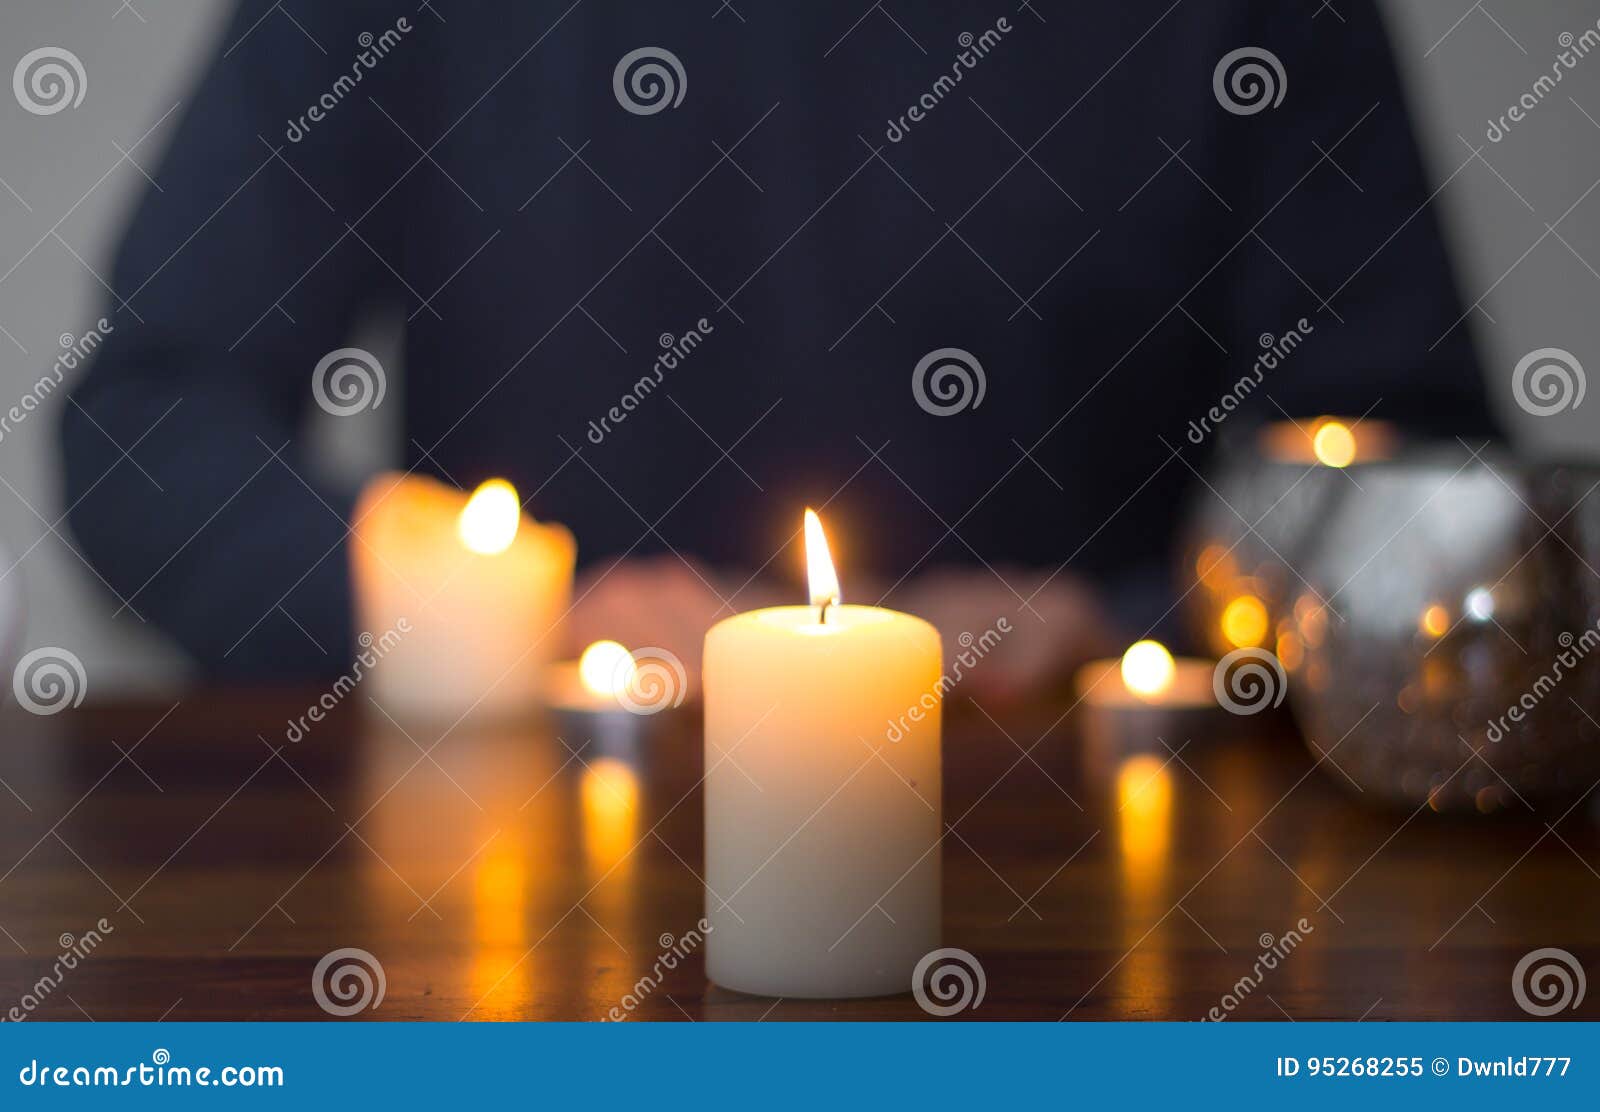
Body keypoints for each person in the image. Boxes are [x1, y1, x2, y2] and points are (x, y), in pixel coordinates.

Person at [60, 0, 1497, 696]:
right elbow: (149, 426)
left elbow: (1412, 486)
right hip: (510, 884)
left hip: (1101, 884)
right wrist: (501, 618)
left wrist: (1131, 623)